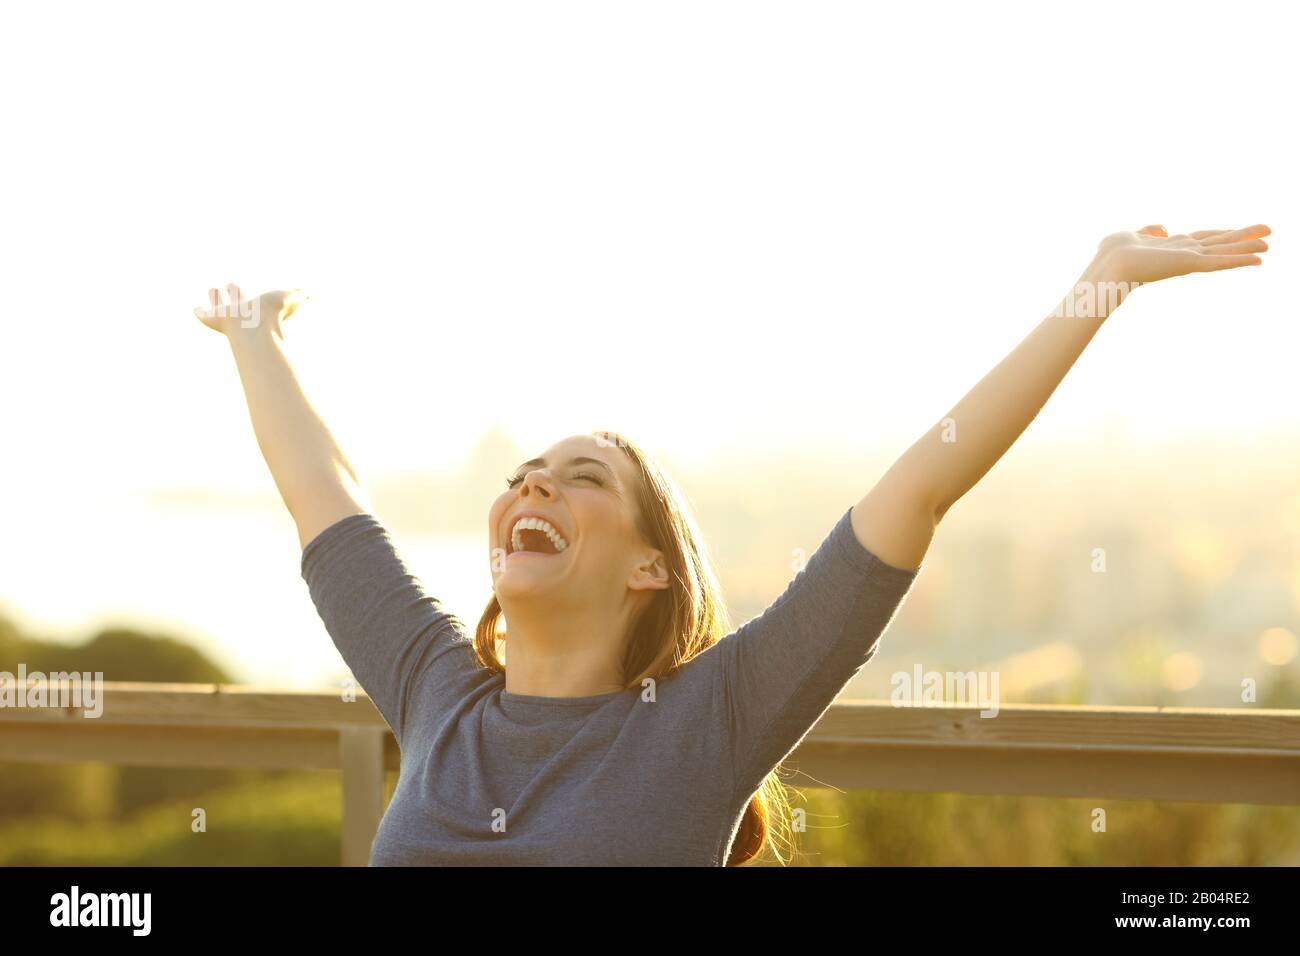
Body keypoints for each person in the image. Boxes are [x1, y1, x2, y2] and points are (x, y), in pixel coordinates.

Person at [195, 222, 1269, 865]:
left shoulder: (707, 720)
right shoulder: (437, 690)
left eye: (582, 478)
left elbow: (919, 488)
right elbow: (322, 497)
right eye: (526, 472)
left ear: (648, 567)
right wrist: (255, 335)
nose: (533, 483)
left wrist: (1100, 283)